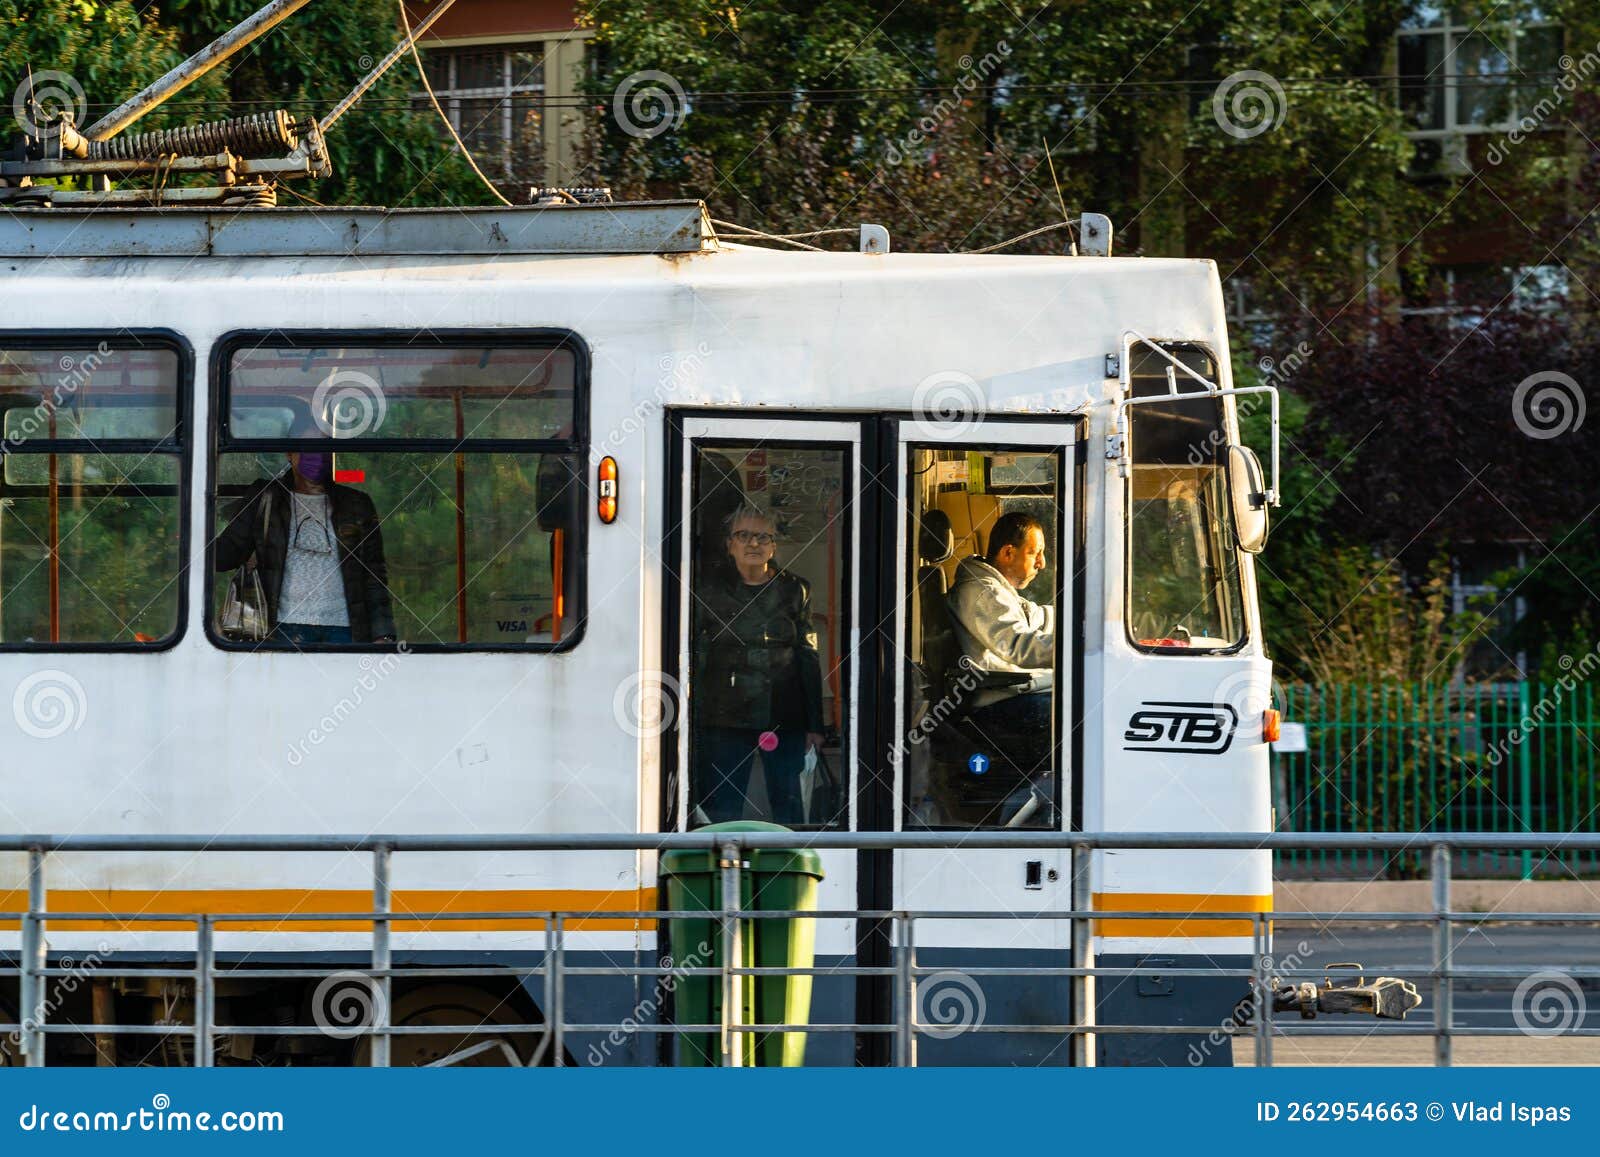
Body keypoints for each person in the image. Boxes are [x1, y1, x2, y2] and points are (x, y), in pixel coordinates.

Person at [691, 506, 826, 825]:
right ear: (730, 545)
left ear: (774, 546)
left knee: (788, 801)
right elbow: (695, 655)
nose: (753, 544)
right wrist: (691, 714)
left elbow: (808, 656)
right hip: (723, 715)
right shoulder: (707, 591)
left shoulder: (796, 590)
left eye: (762, 536)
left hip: (783, 714)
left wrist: (815, 724)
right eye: (743, 535)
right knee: (722, 806)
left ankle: (789, 867)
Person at [215, 429, 396, 646]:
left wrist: (383, 635)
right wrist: (192, 536)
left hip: (345, 630)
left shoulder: (357, 504)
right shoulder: (266, 499)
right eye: (308, 449)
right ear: (290, 454)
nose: (317, 458)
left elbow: (373, 576)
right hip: (283, 629)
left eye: (324, 451)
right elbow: (223, 556)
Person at [946, 510, 1055, 772]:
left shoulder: (997, 589)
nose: (1041, 563)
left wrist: (1087, 620)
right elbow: (1018, 646)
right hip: (1000, 703)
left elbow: (1035, 617)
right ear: (1008, 553)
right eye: (1034, 552)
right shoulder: (983, 591)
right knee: (1085, 712)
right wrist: (1079, 645)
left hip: (1014, 693)